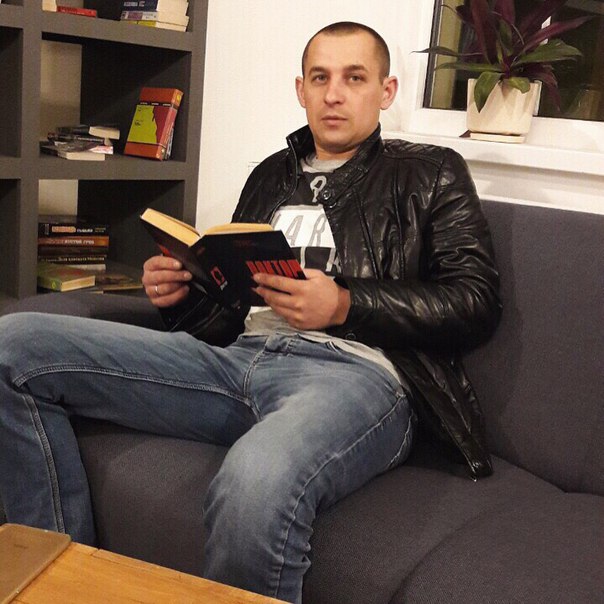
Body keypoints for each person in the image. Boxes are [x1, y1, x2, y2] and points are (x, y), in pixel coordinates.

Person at [0, 22, 501, 604]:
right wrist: (183, 296)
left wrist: (345, 303)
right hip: (234, 361)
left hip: (357, 376)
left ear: (385, 91)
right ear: (300, 89)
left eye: (354, 78)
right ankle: (60, 585)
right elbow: (228, 312)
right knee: (13, 345)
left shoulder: (431, 172)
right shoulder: (269, 176)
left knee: (255, 478)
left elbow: (475, 300)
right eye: (320, 78)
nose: (334, 94)